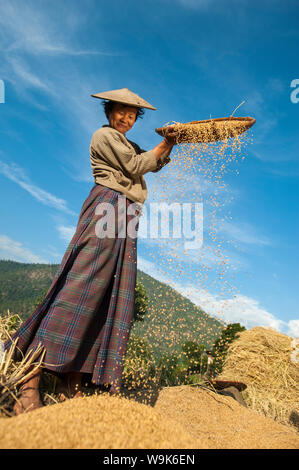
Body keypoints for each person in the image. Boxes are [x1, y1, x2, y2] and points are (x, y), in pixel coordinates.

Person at [4, 87, 178, 415]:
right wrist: (166, 143)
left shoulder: (127, 142)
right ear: (109, 110)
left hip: (126, 214)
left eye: (132, 114)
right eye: (120, 111)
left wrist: (171, 143)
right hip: (108, 207)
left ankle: (71, 381)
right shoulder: (105, 136)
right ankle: (29, 378)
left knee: (104, 296)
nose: (126, 118)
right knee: (80, 288)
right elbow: (139, 165)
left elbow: (153, 164)